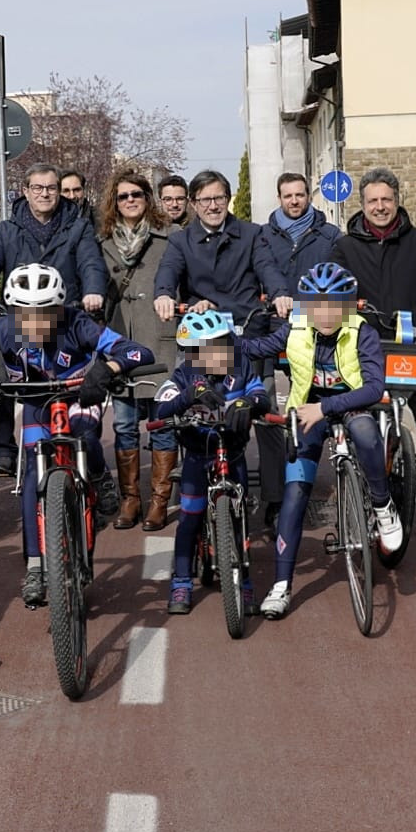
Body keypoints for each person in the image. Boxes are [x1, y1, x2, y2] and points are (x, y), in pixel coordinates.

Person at [0, 264, 151, 609]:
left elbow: (139, 352)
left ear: (60, 308)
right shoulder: (2, 329)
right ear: (13, 312)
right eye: (25, 314)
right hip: (36, 402)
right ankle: (36, 565)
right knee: (33, 473)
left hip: (78, 397)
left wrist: (108, 368)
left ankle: (98, 477)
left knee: (85, 435)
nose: (34, 323)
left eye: (45, 313)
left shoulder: (79, 324)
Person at [240, 263, 401, 620]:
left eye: (335, 305)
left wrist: (325, 407)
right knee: (295, 494)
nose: (326, 314)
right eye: (317, 305)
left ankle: (381, 504)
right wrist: (218, 337)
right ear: (305, 306)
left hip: (351, 408)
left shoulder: (363, 332)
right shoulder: (293, 329)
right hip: (307, 416)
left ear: (348, 306)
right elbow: (254, 348)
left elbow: (375, 388)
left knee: (364, 432)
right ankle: (281, 585)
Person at [331, 167, 416, 539]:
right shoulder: (345, 247)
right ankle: (368, 488)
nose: (380, 207)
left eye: (386, 200)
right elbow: (331, 285)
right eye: (373, 201)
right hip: (367, 347)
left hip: (414, 347)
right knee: (364, 419)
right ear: (362, 205)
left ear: (397, 201)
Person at [154, 169, 293, 528]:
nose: (212, 206)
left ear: (228, 198)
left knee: (264, 413)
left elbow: (268, 268)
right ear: (194, 204)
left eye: (218, 198)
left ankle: (275, 498)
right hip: (206, 339)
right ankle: (196, 485)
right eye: (204, 200)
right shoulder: (181, 241)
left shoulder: (252, 234)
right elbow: (168, 273)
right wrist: (165, 296)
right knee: (196, 406)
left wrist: (278, 294)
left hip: (248, 334)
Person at [0, 164, 109, 477]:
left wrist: (93, 292)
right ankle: (3, 449)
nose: (45, 194)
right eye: (37, 188)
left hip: (64, 320)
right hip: (21, 322)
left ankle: (94, 469)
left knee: (81, 390)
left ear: (59, 190)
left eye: (51, 188)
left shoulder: (78, 226)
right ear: (25, 191)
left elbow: (90, 263)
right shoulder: (7, 229)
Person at [151, 310, 269, 615]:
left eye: (223, 344)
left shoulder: (241, 368)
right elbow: (160, 409)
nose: (219, 353)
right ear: (191, 355)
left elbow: (261, 395)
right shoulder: (183, 376)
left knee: (241, 518)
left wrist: (248, 402)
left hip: (234, 453)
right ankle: (181, 581)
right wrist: (191, 395)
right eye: (208, 349)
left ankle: (243, 584)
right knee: (189, 517)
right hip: (197, 456)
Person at [95, 170, 178, 530]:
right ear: (114, 202)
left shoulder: (170, 238)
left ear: (148, 198)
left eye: (137, 195)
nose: (130, 200)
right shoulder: (101, 242)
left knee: (162, 422)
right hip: (120, 343)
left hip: (159, 340)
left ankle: (160, 500)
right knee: (125, 424)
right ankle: (131, 500)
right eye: (123, 196)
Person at [260, 172, 342, 276]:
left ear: (309, 196)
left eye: (299, 195)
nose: (294, 201)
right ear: (279, 199)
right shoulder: (263, 236)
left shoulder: (331, 235)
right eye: (288, 196)